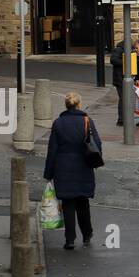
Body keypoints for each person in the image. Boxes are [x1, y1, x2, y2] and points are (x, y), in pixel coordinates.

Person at [43, 91, 102, 250]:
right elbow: (97, 144)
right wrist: (95, 162)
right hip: (83, 166)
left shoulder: (58, 123)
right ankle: (87, 234)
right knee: (83, 202)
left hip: (63, 168)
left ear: (66, 105)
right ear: (79, 104)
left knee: (68, 204)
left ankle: (70, 239)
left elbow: (52, 150)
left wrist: (48, 173)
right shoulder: (87, 121)